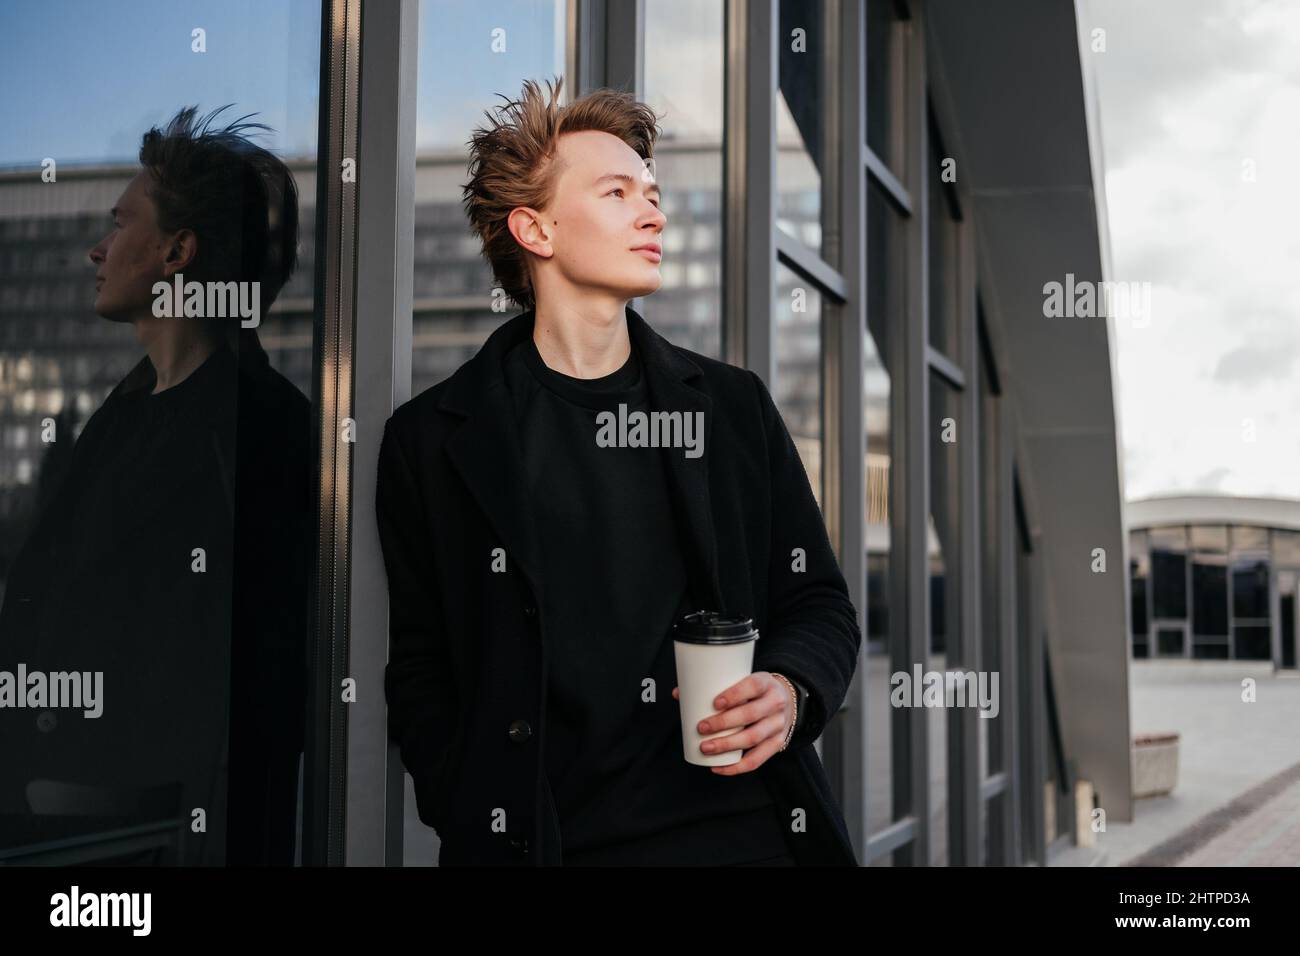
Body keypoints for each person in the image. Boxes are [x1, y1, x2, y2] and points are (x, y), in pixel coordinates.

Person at [378, 76, 860, 866]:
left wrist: (791, 689)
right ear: (535, 229)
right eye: (616, 192)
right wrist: (468, 799)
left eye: (653, 192)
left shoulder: (732, 408)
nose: (652, 211)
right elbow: (422, 669)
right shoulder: (431, 440)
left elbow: (818, 603)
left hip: (743, 836)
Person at [0, 106, 311, 865]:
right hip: (62, 822)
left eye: (119, 224)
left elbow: (252, 685)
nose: (96, 252)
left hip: (133, 840)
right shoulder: (122, 418)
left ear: (177, 252)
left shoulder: (255, 427)